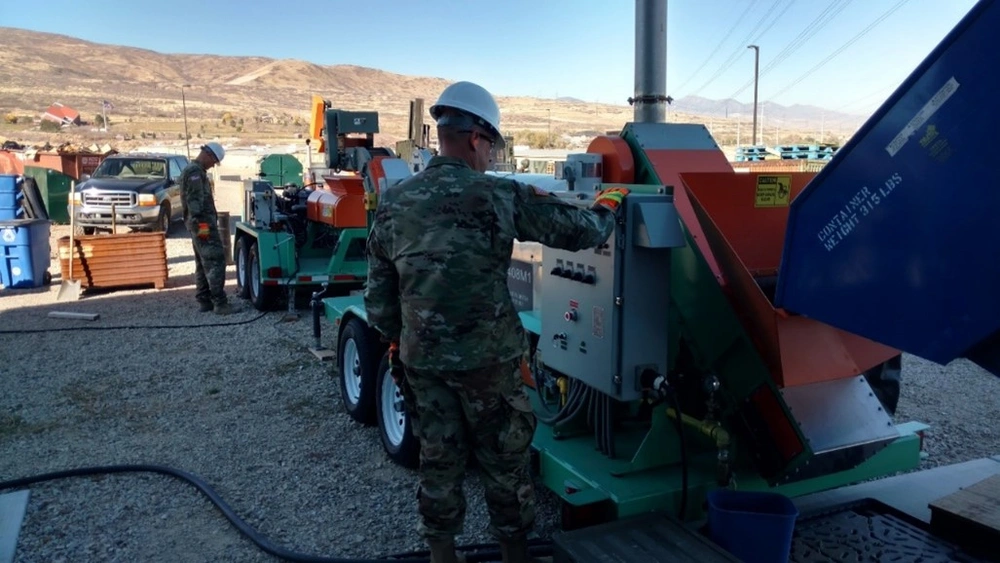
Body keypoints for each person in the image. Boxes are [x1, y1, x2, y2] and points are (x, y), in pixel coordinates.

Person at [364, 80, 629, 563]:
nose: (489, 157)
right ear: (475, 139)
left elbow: (380, 301)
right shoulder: (496, 195)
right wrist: (608, 208)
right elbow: (576, 230)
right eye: (490, 146)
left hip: (425, 362)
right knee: (505, 468)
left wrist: (400, 342)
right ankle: (513, 554)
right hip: (490, 363)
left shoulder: (395, 202)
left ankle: (442, 554)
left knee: (439, 462)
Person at [179, 142, 232, 315]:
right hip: (202, 225)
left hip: (198, 225)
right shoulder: (195, 173)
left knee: (202, 263)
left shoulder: (193, 170)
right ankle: (220, 303)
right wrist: (204, 227)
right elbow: (195, 203)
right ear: (208, 155)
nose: (213, 165)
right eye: (214, 161)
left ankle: (204, 300)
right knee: (215, 260)